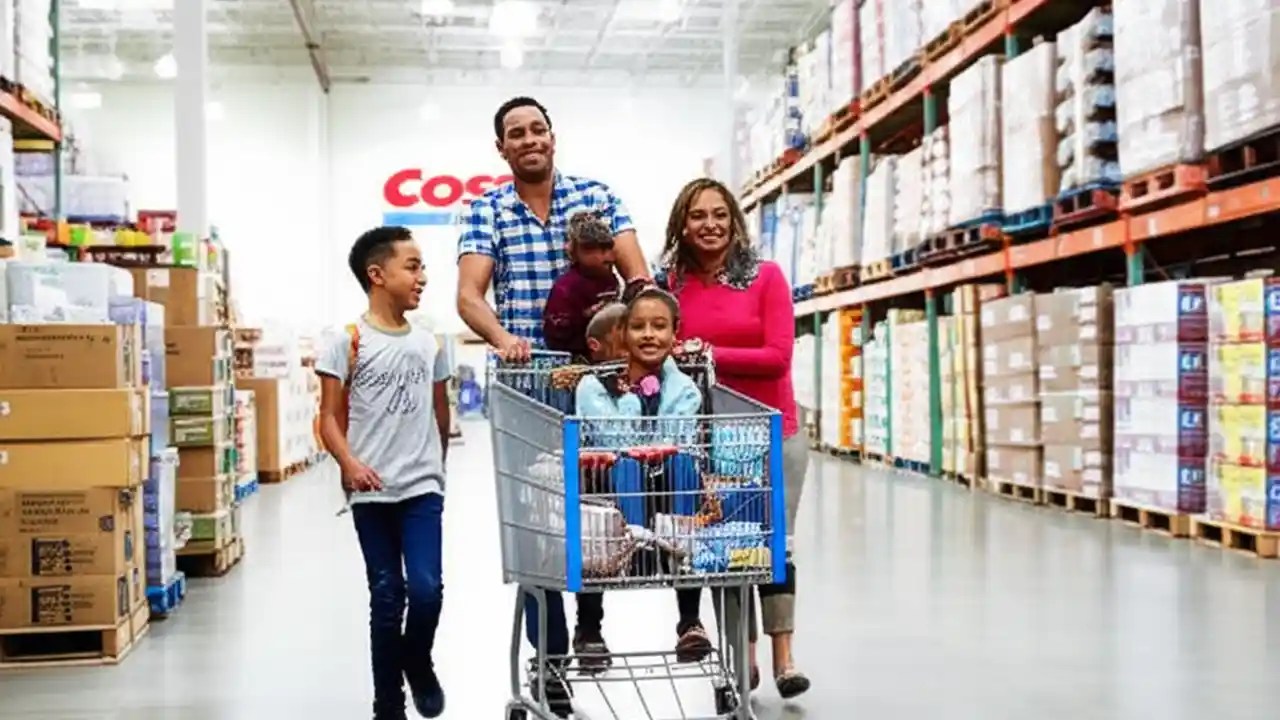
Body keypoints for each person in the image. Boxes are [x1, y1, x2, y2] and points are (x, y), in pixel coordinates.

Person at [455, 95, 650, 716]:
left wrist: (647, 332)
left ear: (553, 136)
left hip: (599, 385)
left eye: (538, 128)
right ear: (501, 148)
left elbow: (639, 276)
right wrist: (505, 339)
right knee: (538, 523)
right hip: (530, 387)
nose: (530, 139)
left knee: (596, 508)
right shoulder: (487, 208)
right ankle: (554, 655)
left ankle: (590, 628)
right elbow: (469, 295)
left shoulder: (595, 197)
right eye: (517, 133)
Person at [656, 177, 812, 699]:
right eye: (698, 215)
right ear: (681, 223)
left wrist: (707, 353)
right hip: (708, 439)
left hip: (773, 432)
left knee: (774, 546)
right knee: (723, 550)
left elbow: (778, 356)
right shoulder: (670, 286)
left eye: (719, 214)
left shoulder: (765, 278)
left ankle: (784, 658)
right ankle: (738, 663)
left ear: (735, 220)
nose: (710, 224)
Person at [317, 226, 453, 720]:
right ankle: (387, 705)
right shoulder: (345, 341)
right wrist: (349, 464)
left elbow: (441, 415)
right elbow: (328, 416)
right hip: (370, 491)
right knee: (386, 595)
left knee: (426, 588)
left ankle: (416, 660)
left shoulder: (431, 342)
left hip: (421, 489)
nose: (423, 277)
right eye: (412, 266)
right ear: (378, 275)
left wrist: (438, 471)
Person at [543, 212, 622, 361]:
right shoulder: (566, 287)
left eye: (608, 248)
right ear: (574, 252)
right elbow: (555, 333)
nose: (605, 256)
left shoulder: (611, 280)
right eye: (593, 249)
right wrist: (586, 315)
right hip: (573, 360)